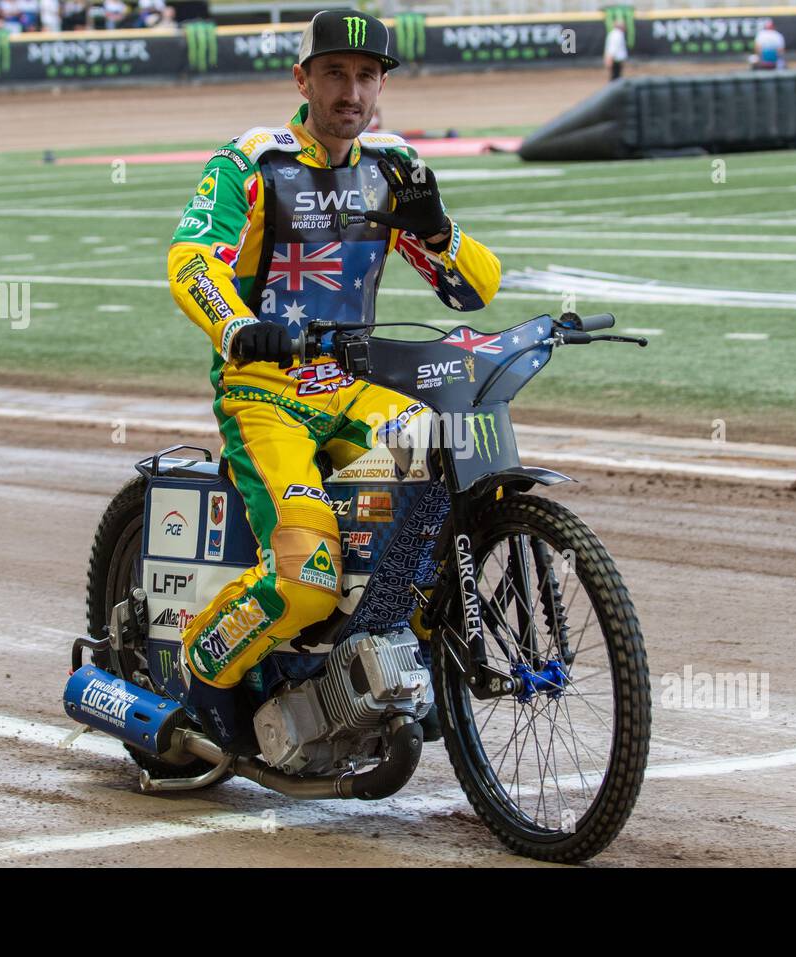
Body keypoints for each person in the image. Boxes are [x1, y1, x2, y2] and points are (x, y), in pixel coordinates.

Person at [165, 8, 501, 753]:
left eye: (366, 76)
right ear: (302, 79)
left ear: (381, 85)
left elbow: (475, 290)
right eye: (335, 74)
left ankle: (403, 650)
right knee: (307, 580)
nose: (352, 91)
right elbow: (191, 260)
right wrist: (234, 326)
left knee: (439, 465)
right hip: (266, 397)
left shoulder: (390, 165)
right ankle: (204, 672)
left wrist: (440, 231)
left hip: (352, 394)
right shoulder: (251, 161)